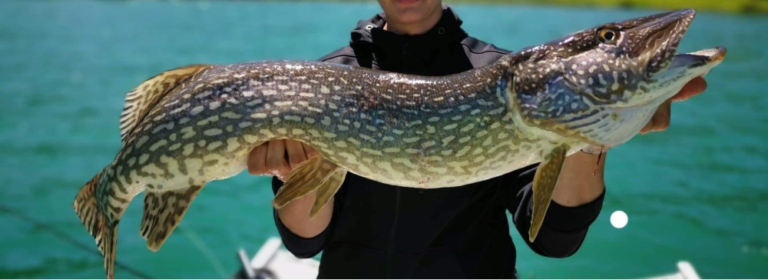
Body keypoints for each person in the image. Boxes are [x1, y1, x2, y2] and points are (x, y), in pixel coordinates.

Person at [247, 1, 708, 279]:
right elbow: (305, 243)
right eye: (609, 39)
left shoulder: (505, 79)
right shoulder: (324, 82)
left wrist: (593, 136)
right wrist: (293, 172)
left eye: (610, 38)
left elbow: (554, 239)